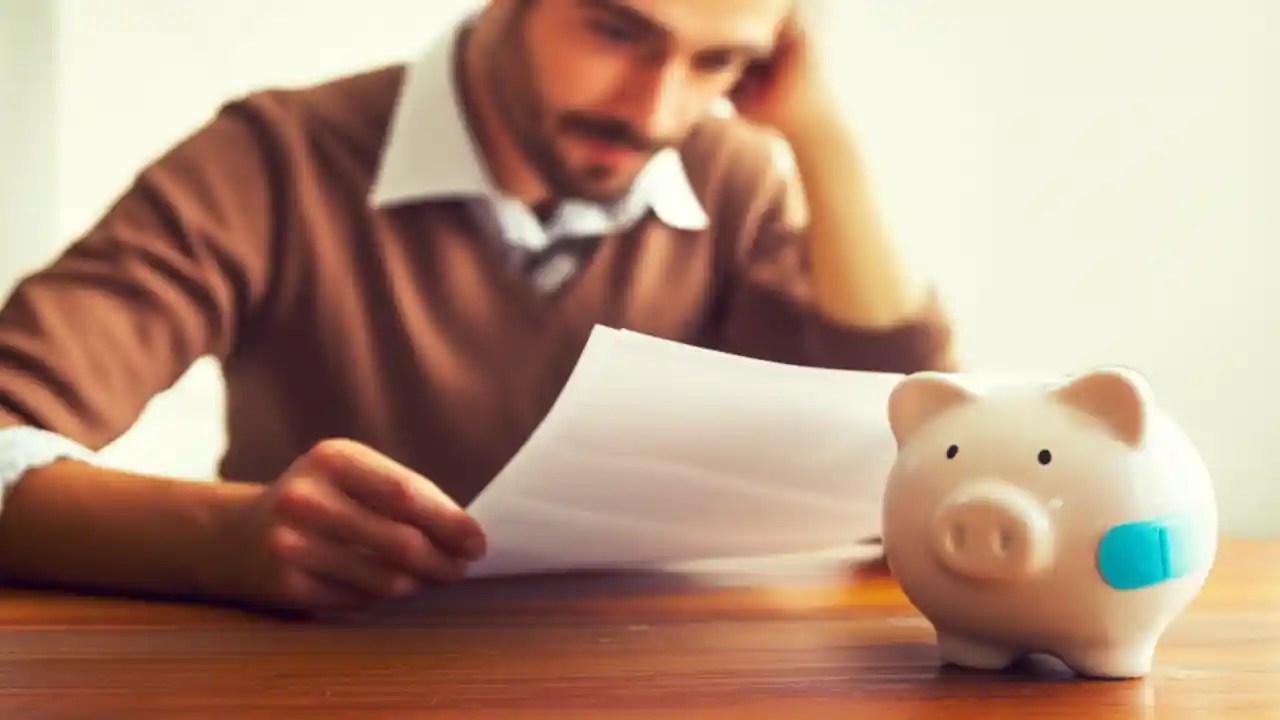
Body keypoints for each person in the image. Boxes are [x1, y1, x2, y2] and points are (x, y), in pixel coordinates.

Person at [0, 0, 955, 613]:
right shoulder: (273, 159)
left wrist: (817, 135)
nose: (655, 110)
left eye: (717, 64)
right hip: (321, 685)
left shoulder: (730, 174)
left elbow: (898, 434)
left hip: (657, 680)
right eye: (619, 31)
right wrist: (228, 539)